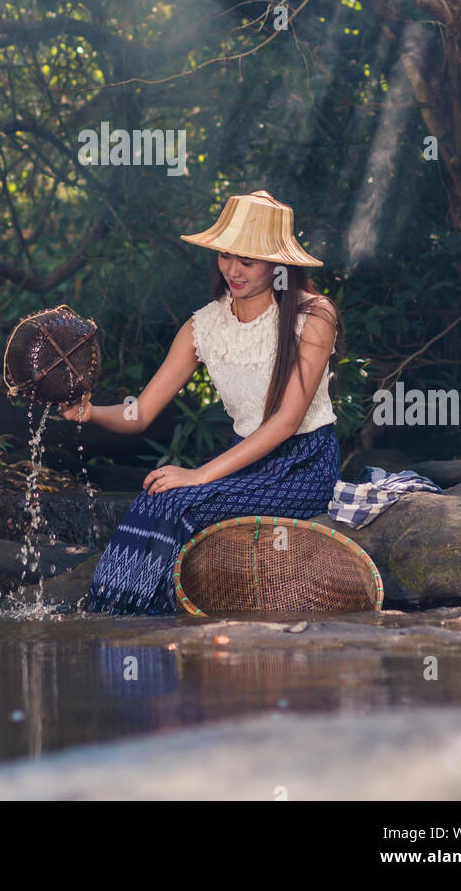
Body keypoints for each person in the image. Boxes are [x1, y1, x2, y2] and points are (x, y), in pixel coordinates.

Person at [60, 190, 342, 616]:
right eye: (226, 256)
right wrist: (92, 411)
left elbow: (286, 421)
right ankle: (111, 619)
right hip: (245, 461)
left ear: (277, 264)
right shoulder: (203, 325)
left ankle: (155, 627)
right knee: (156, 495)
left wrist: (199, 475)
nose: (233, 270)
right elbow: (141, 414)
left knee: (181, 503)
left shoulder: (313, 316)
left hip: (304, 464)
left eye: (248, 261)